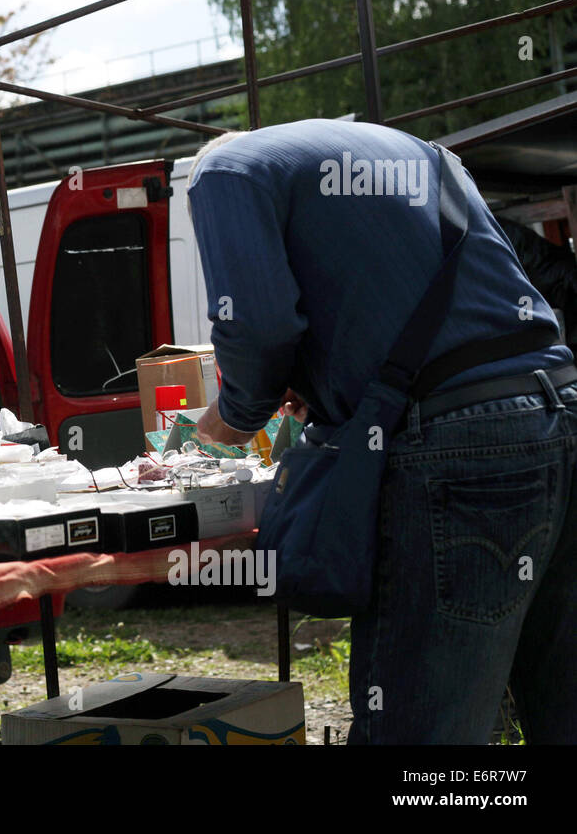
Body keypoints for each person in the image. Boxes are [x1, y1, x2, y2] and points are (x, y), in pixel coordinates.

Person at [187, 119, 577, 744]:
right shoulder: (419, 155)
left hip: (464, 444)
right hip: (559, 410)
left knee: (422, 735)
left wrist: (229, 418)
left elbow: (256, 327)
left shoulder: (223, 172)